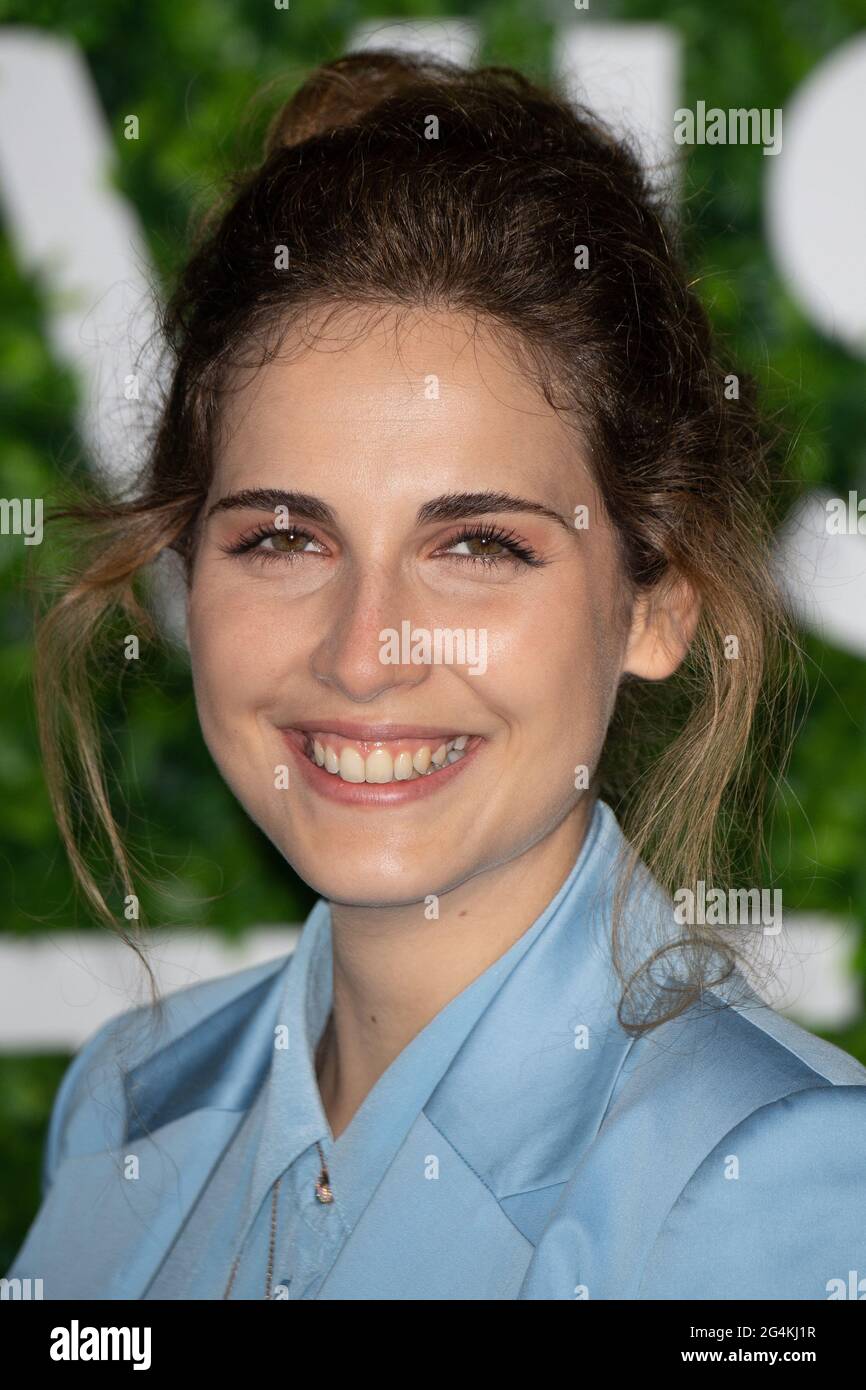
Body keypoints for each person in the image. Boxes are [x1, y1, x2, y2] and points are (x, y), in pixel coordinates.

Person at [9, 49, 866, 1300]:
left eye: (476, 546)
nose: (365, 653)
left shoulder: (776, 1185)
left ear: (656, 599)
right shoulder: (129, 1100)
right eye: (284, 538)